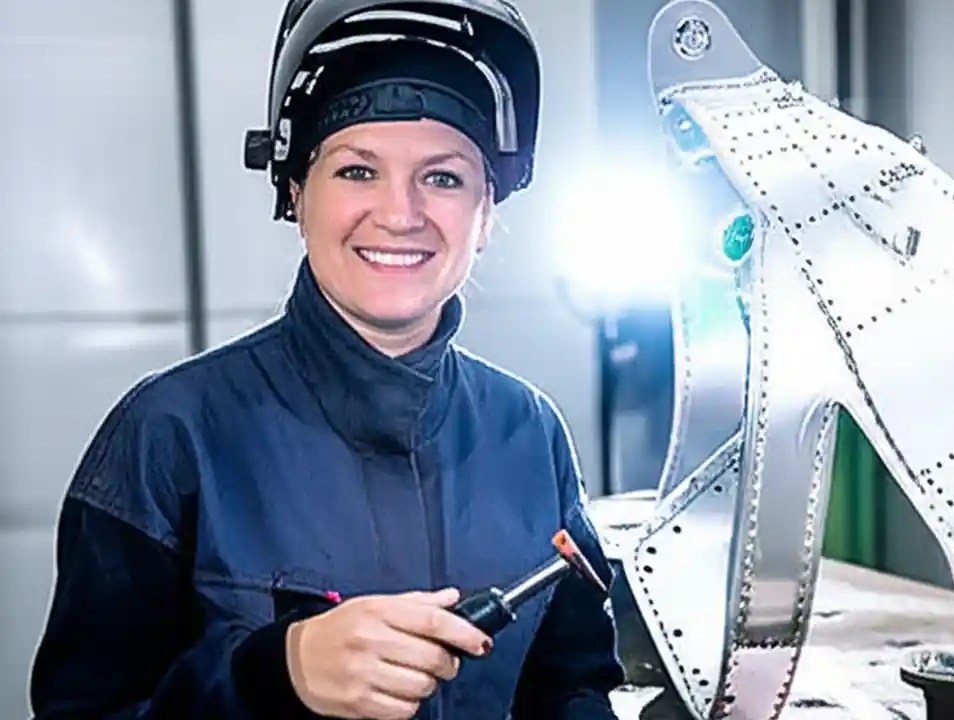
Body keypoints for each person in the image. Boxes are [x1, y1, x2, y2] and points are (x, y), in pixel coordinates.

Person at [28, 1, 625, 718]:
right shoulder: (170, 434)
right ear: (294, 194)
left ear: (487, 215)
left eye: (443, 178)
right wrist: (275, 676)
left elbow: (573, 689)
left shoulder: (530, 433)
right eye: (356, 171)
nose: (400, 214)